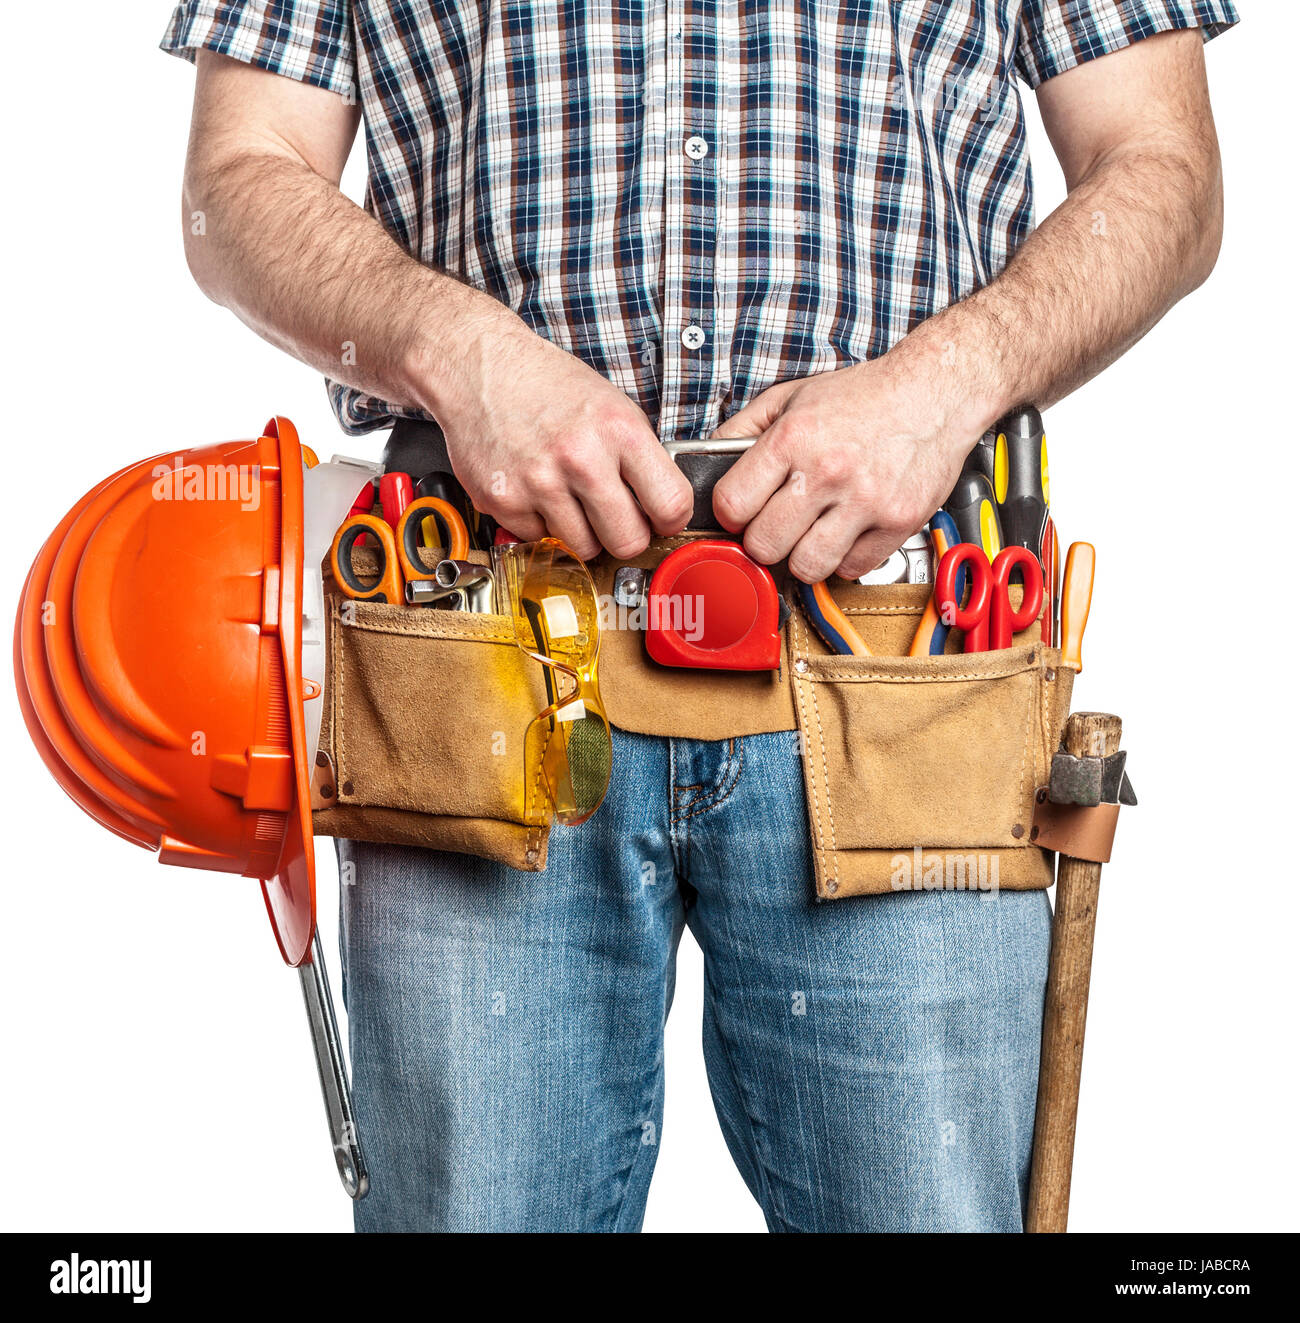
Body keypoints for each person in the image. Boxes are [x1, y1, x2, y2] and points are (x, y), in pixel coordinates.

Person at [163, 0, 1235, 1231]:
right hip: (480, 662)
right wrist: (453, 353)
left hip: (900, 672)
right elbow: (238, 177)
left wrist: (947, 387)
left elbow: (1162, 167)